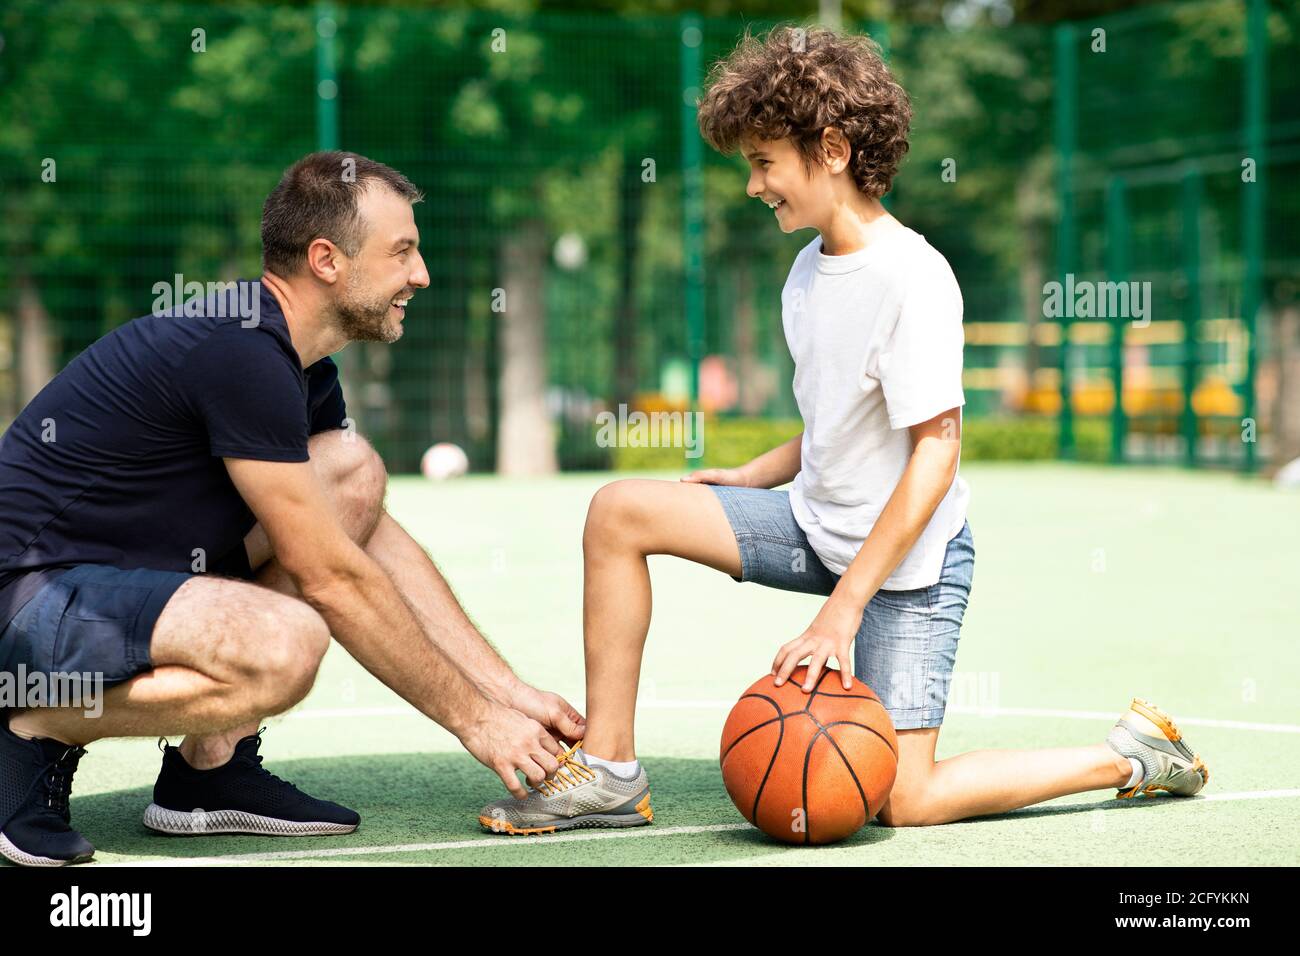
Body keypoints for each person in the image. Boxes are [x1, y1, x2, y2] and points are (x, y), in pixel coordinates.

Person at [477, 25, 1208, 836]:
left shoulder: (914, 279)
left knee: (904, 800)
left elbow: (935, 453)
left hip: (909, 563)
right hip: (814, 525)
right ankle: (611, 773)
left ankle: (1133, 757)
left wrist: (841, 612)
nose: (754, 186)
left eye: (763, 164)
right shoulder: (805, 270)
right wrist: (755, 475)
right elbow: (837, 420)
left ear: (829, 148)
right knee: (620, 511)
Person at [0, 151, 584, 867]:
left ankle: (208, 776)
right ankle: (36, 725)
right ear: (326, 259)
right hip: (29, 595)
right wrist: (479, 725)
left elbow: (370, 543)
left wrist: (508, 694)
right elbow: (331, 577)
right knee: (284, 645)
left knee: (352, 476)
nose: (421, 275)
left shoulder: (302, 367)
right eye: (401, 252)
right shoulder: (240, 350)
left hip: (115, 586)